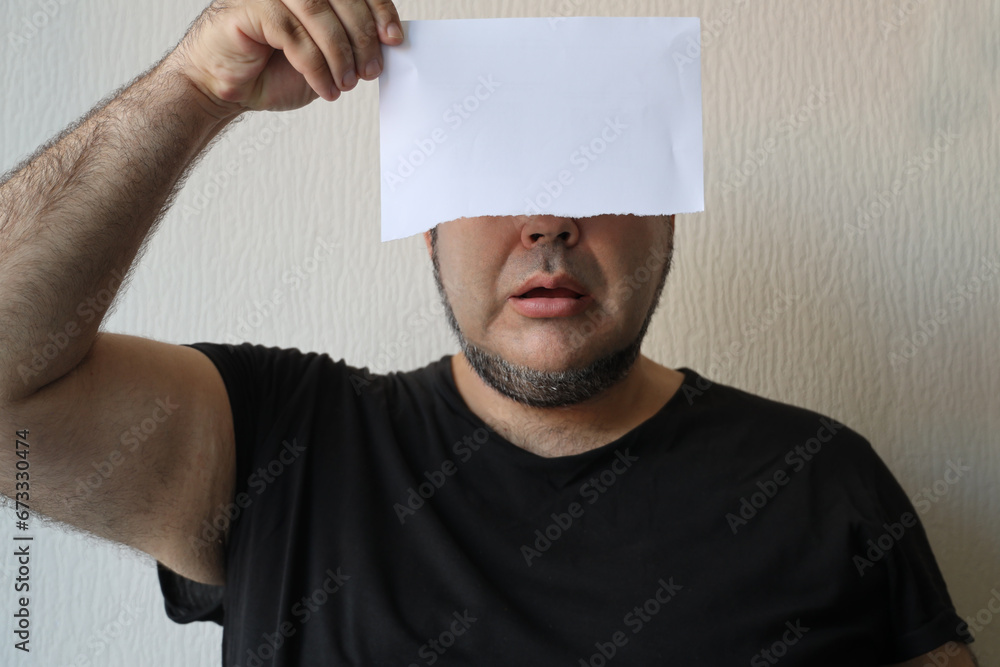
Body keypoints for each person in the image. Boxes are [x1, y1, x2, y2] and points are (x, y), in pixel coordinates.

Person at [0, 1, 979, 665]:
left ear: (667, 209)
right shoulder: (278, 449)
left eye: (595, 168)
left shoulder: (819, 481)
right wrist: (193, 90)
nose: (548, 220)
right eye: (494, 178)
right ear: (427, 221)